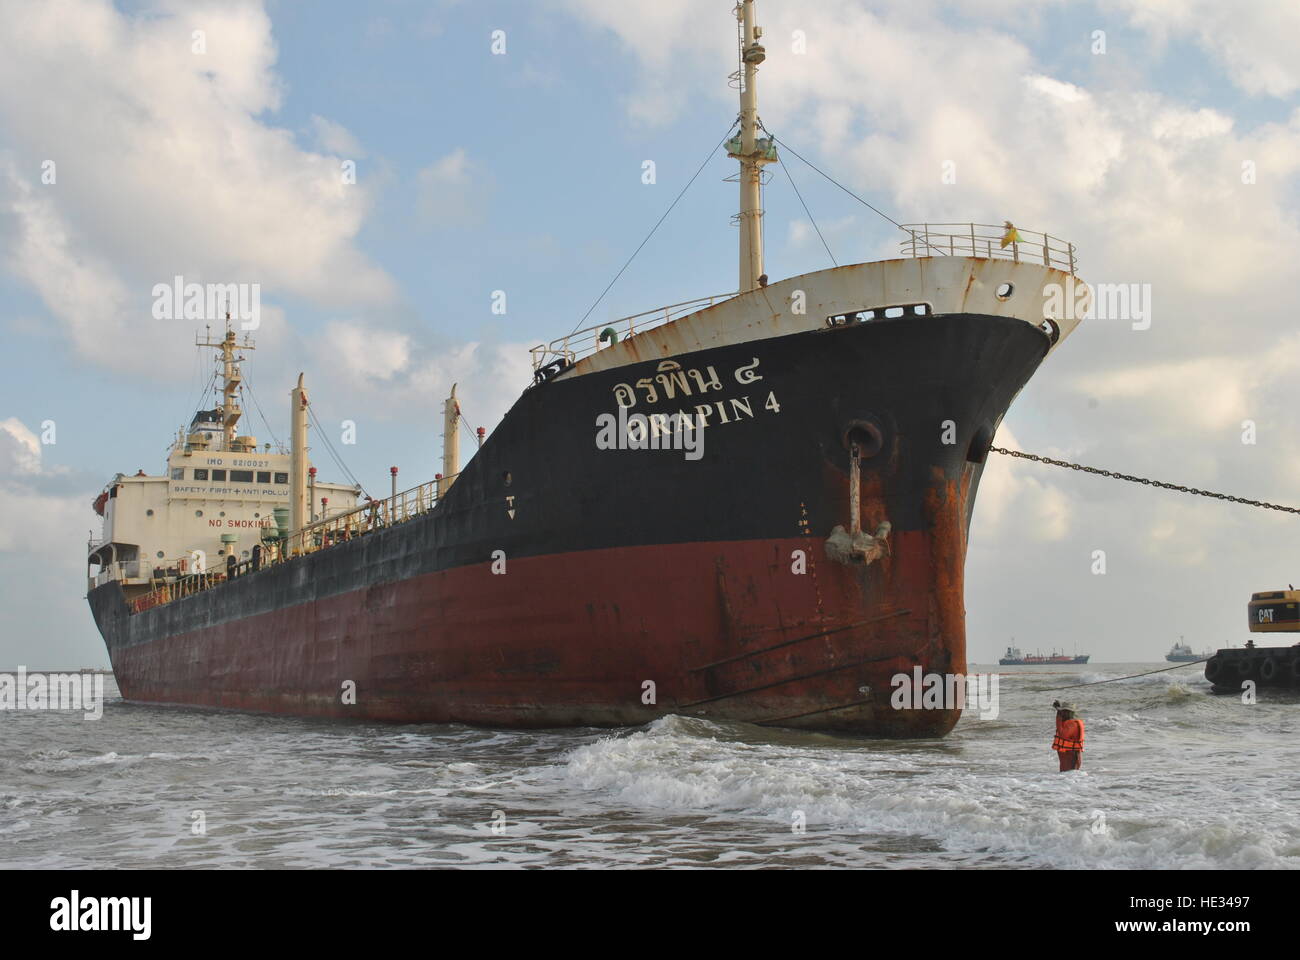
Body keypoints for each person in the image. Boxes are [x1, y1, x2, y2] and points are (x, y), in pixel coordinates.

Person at [1051, 699, 1084, 771]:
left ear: (1069, 713)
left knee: (1068, 775)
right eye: (1062, 711)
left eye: (1064, 712)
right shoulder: (1069, 722)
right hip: (1068, 756)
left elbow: (1062, 734)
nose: (1062, 713)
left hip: (1071, 758)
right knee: (1065, 776)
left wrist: (1059, 715)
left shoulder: (1073, 724)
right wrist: (1058, 711)